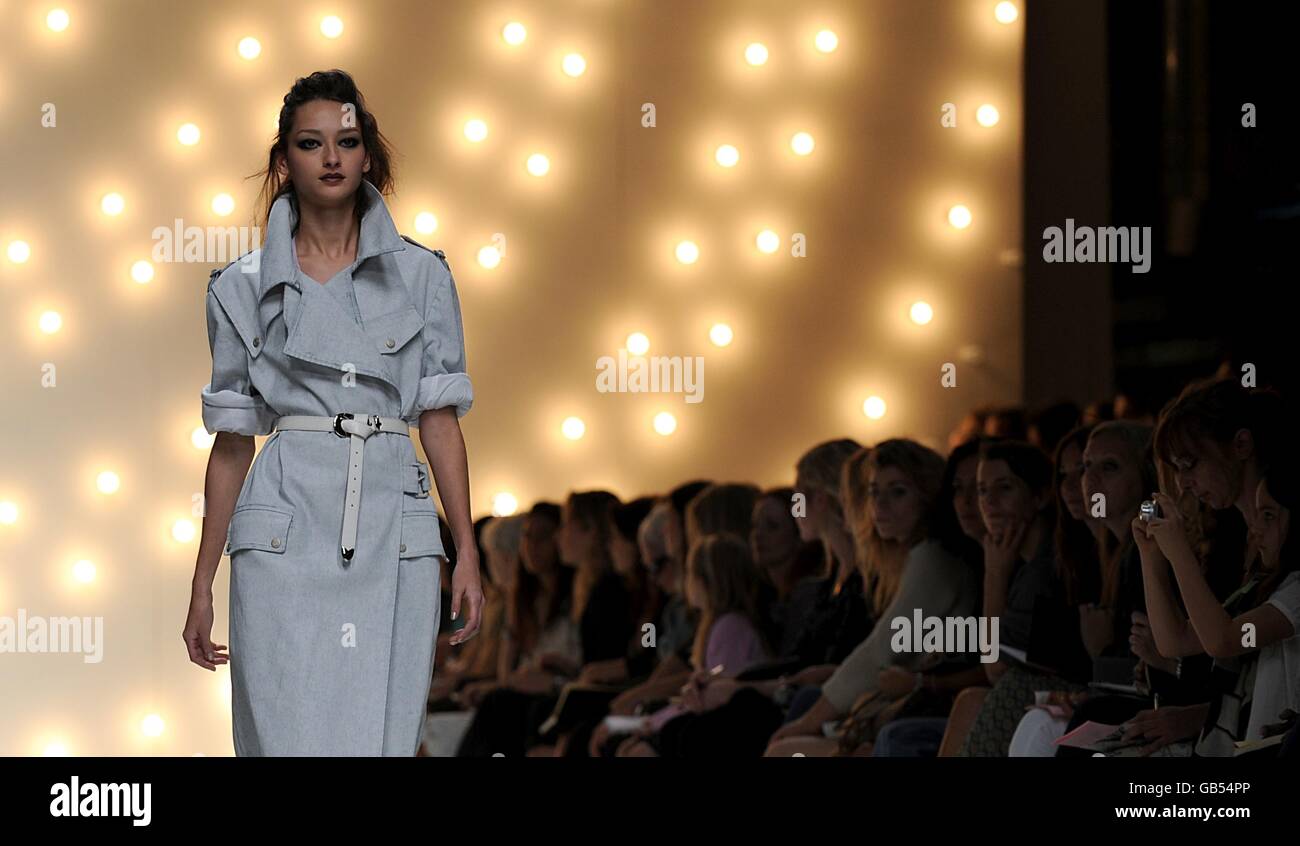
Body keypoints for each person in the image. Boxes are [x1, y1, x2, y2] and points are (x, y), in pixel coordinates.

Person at [182, 69, 482, 756]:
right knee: (284, 731)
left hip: (388, 522)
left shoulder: (423, 276)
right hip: (284, 525)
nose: (331, 158)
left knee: (378, 735)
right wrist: (202, 582)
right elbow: (233, 441)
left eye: (346, 141)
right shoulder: (238, 287)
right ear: (283, 158)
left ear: (367, 153)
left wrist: (467, 549)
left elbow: (438, 418)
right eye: (311, 143)